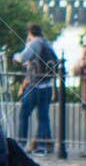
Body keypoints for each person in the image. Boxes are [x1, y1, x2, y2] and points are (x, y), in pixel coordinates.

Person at [12, 24, 58, 154]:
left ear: (30, 33)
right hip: (47, 86)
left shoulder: (34, 43)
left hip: (34, 86)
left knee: (24, 114)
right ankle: (42, 146)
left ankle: (21, 143)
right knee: (43, 117)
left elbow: (22, 58)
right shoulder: (47, 43)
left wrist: (15, 56)